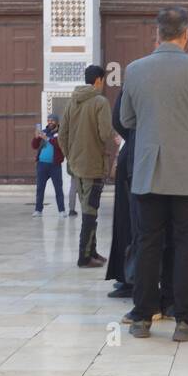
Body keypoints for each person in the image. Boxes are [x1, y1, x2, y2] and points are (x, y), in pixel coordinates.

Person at [120, 7, 188, 340]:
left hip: (148, 172)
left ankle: (141, 319)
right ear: (186, 34)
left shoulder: (135, 70)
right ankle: (186, 321)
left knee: (147, 244)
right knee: (185, 246)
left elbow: (127, 119)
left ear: (156, 34)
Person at [58, 65, 112, 267]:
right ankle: (84, 256)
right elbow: (104, 133)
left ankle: (93, 251)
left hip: (76, 166)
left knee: (88, 208)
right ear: (98, 80)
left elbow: (62, 134)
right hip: (93, 164)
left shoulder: (72, 102)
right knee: (91, 211)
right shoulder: (100, 102)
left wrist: (70, 156)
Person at [106, 91, 136, 297]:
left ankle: (133, 278)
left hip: (135, 155)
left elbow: (118, 119)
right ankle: (129, 276)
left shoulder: (135, 78)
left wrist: (134, 138)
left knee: (130, 221)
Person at [31, 115, 66, 218]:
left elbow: (58, 144)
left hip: (55, 165)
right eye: (49, 120)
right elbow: (34, 146)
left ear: (56, 122)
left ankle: (61, 210)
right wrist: (36, 137)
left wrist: (46, 138)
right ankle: (38, 210)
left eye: (52, 121)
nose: (50, 122)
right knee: (40, 189)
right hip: (42, 165)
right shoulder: (43, 131)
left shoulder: (60, 133)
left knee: (58, 188)